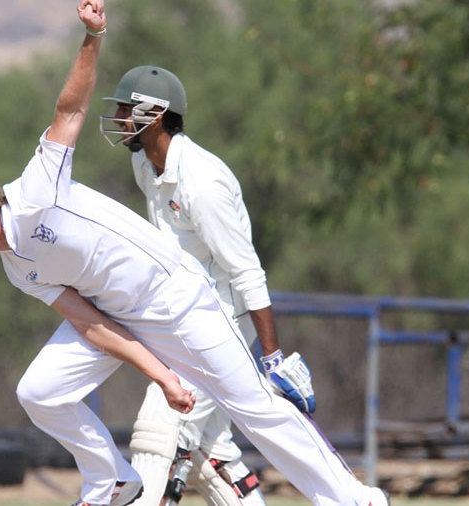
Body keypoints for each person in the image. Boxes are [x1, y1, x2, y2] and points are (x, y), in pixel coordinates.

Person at [0, 2, 390, 505]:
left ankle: (357, 499)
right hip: (118, 314)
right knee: (39, 392)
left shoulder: (37, 190)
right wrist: (161, 374)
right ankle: (112, 479)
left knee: (256, 408)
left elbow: (70, 109)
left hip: (178, 301)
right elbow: (91, 325)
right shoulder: (19, 268)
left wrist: (94, 33)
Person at [99, 66, 315, 506]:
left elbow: (247, 270)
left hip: (223, 319)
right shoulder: (144, 163)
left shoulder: (203, 183)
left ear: (155, 114)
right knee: (210, 451)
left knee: (160, 429)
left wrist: (270, 356)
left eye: (126, 108)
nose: (120, 116)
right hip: (181, 313)